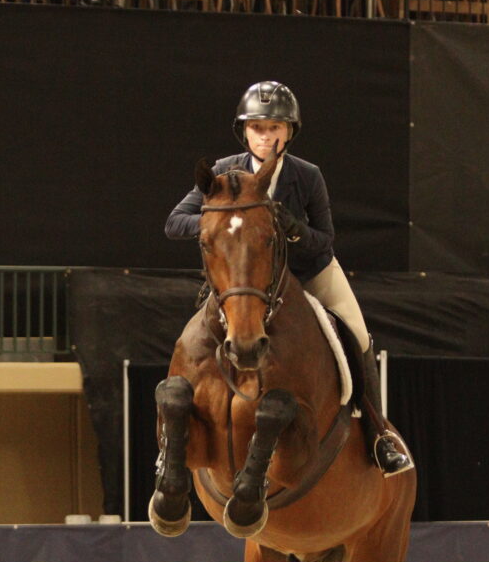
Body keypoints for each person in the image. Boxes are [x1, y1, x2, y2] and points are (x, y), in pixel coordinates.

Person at [164, 80, 413, 476]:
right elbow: (174, 222)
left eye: (275, 127)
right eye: (258, 127)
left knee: (358, 332)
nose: (266, 136)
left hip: (306, 272)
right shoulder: (222, 173)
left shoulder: (307, 176)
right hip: (247, 278)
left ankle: (378, 434)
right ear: (244, 131)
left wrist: (293, 228)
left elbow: (325, 241)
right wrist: (228, 223)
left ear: (289, 132)